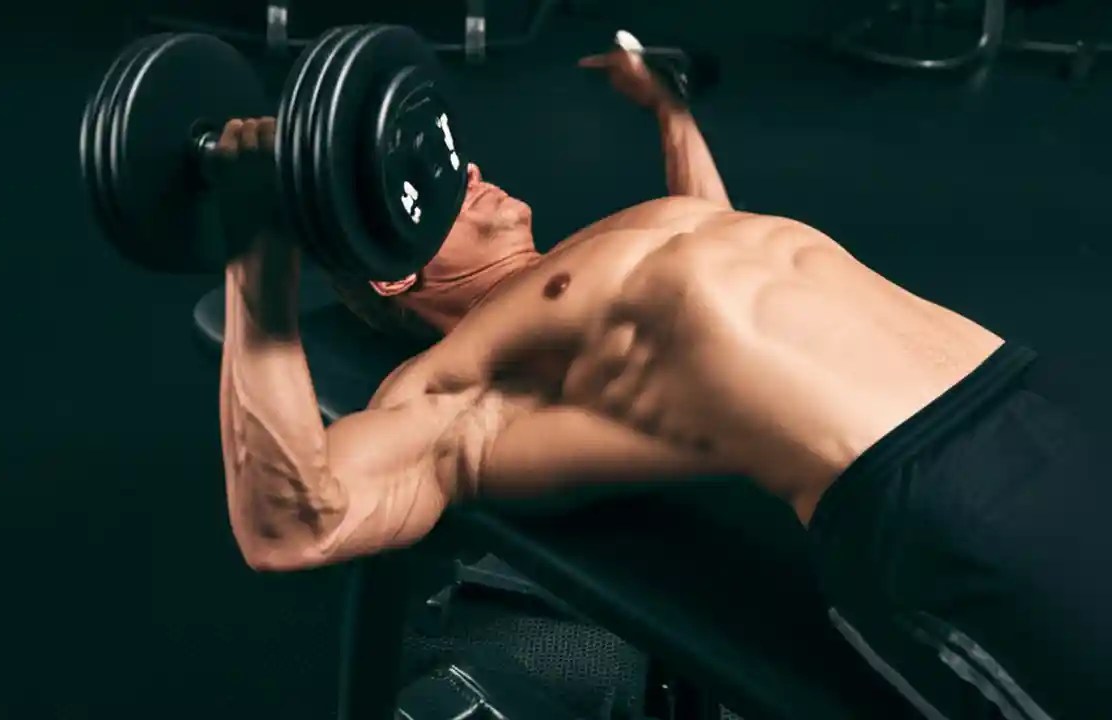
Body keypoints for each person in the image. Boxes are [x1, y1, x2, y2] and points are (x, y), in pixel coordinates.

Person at [215, 39, 1108, 720]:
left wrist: (670, 114)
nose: (469, 171)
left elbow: (723, 254)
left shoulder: (610, 256)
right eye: (437, 192)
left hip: (1035, 398)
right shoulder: (468, 385)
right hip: (935, 500)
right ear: (393, 271)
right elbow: (295, 523)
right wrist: (255, 249)